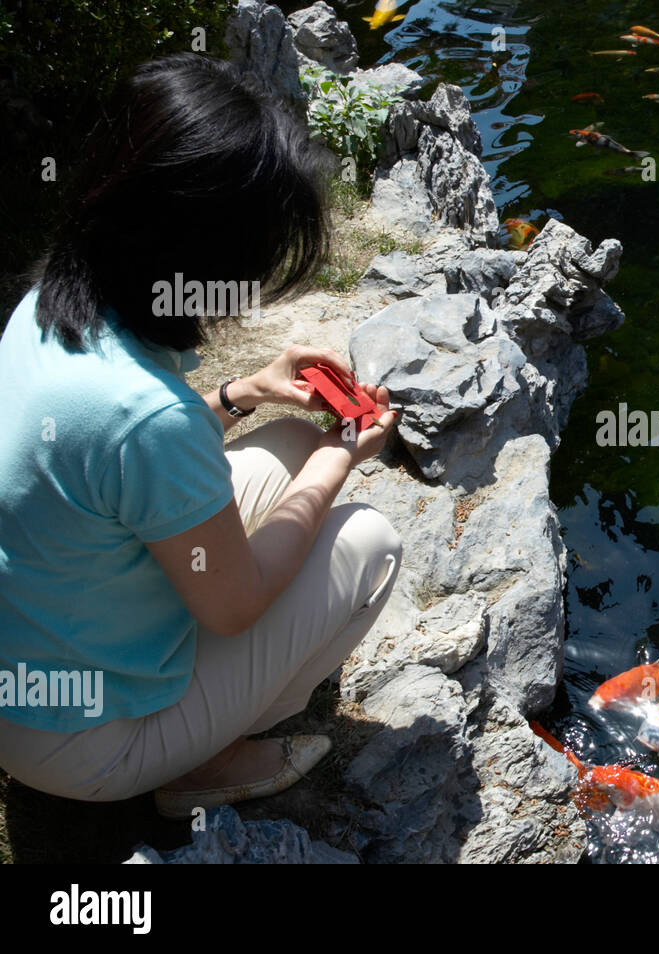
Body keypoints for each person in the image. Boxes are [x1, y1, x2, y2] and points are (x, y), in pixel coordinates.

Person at [0, 53, 402, 819]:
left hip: (31, 678)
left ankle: (192, 720)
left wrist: (243, 393)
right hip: (86, 745)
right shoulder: (147, 417)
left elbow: (117, 461)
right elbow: (235, 606)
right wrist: (339, 459)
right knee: (371, 544)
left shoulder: (42, 309)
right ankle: (195, 760)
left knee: (283, 437)